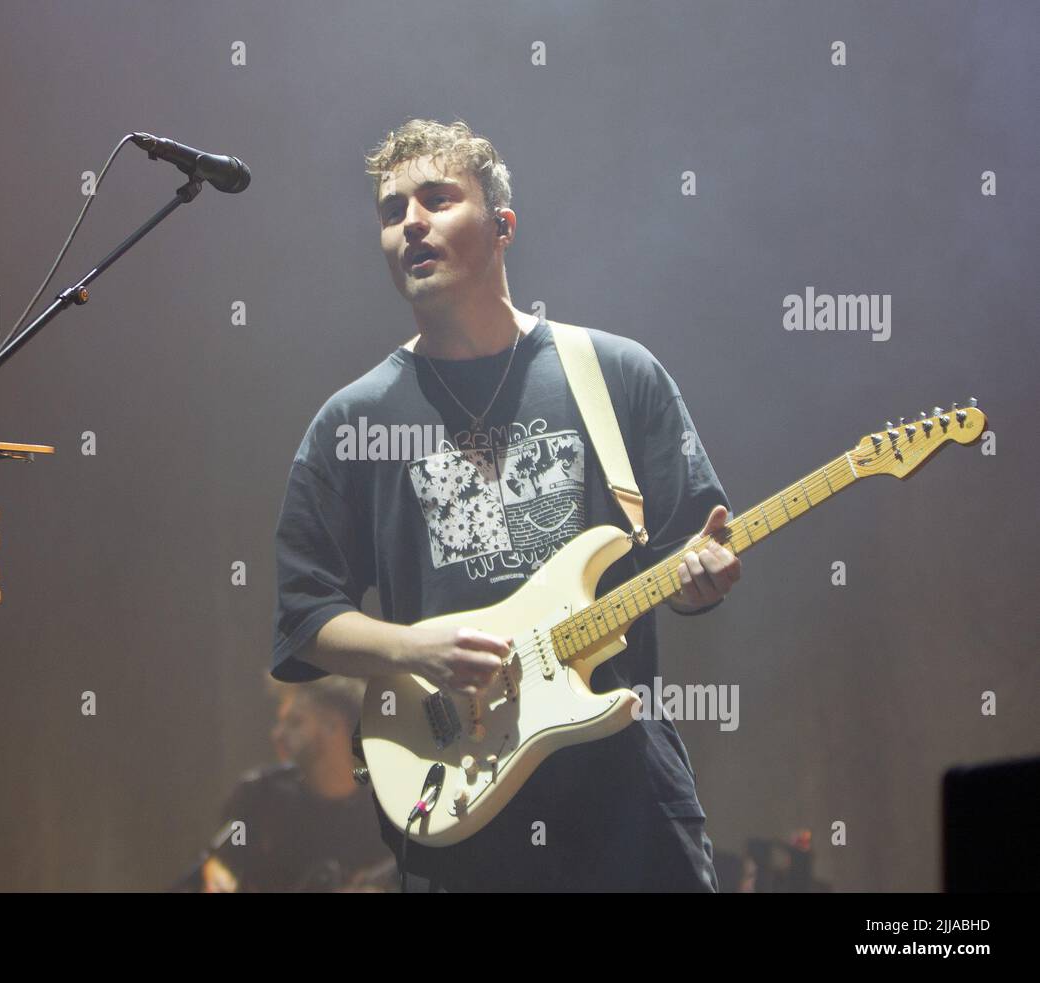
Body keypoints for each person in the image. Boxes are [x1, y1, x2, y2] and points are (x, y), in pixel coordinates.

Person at [269, 118, 741, 891]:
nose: (411, 222)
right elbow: (303, 616)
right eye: (393, 212)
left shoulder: (615, 374)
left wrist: (702, 577)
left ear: (502, 227)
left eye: (437, 198)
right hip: (463, 811)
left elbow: (689, 553)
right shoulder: (353, 424)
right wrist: (416, 650)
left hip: (627, 809)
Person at [199, 675, 395, 892]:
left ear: (333, 725)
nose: (277, 734)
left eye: (295, 722)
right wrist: (216, 870)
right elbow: (224, 861)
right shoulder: (259, 795)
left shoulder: (386, 812)